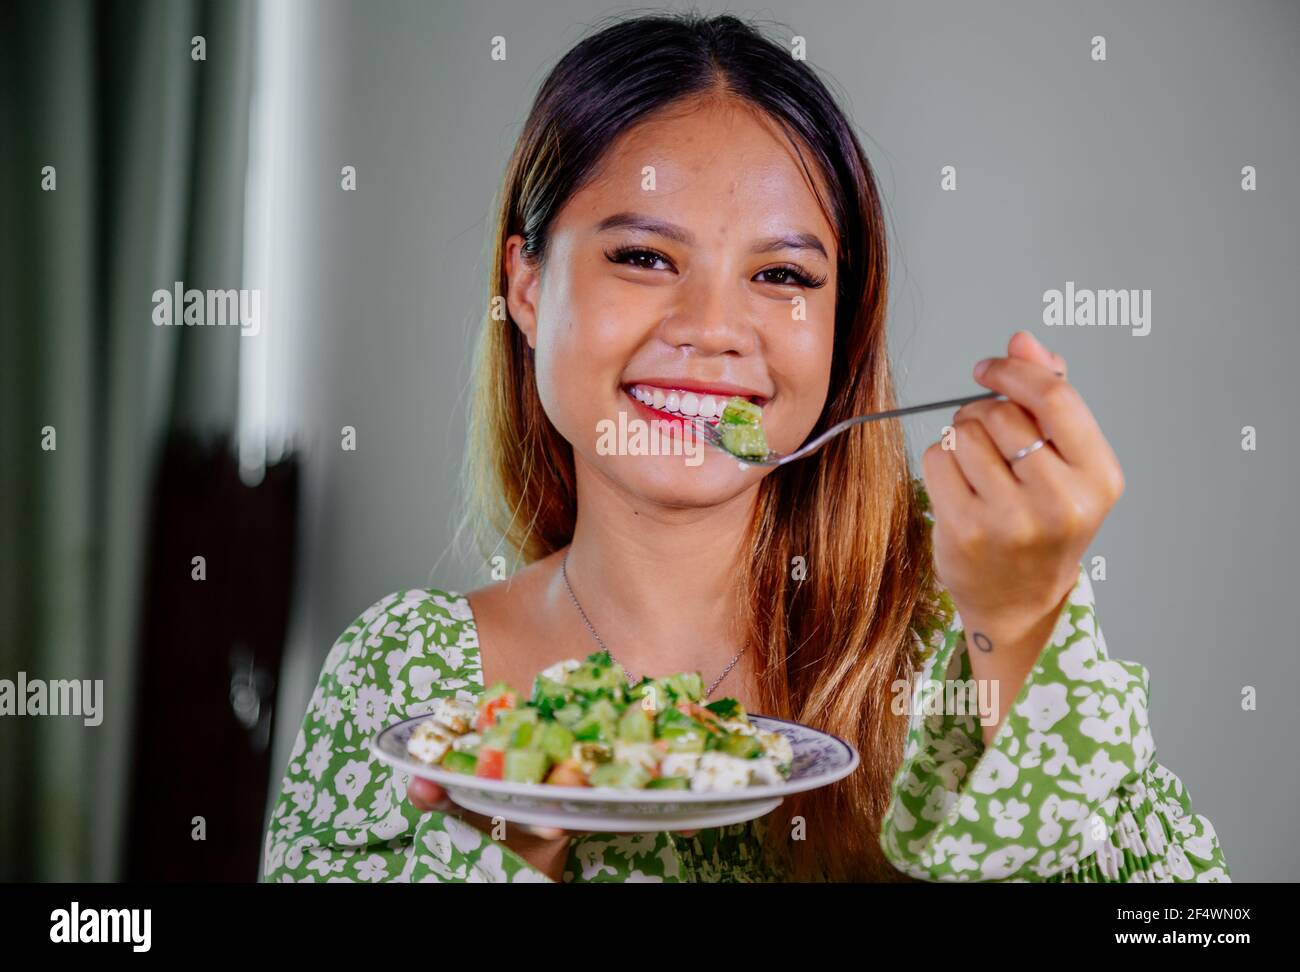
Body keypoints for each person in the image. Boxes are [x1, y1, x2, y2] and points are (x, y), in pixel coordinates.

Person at [260, 12, 1228, 883]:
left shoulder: (954, 626)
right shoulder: (409, 680)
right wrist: (503, 860)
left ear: (840, 326)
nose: (714, 328)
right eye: (643, 257)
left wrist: (1019, 631)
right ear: (524, 283)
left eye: (780, 274)